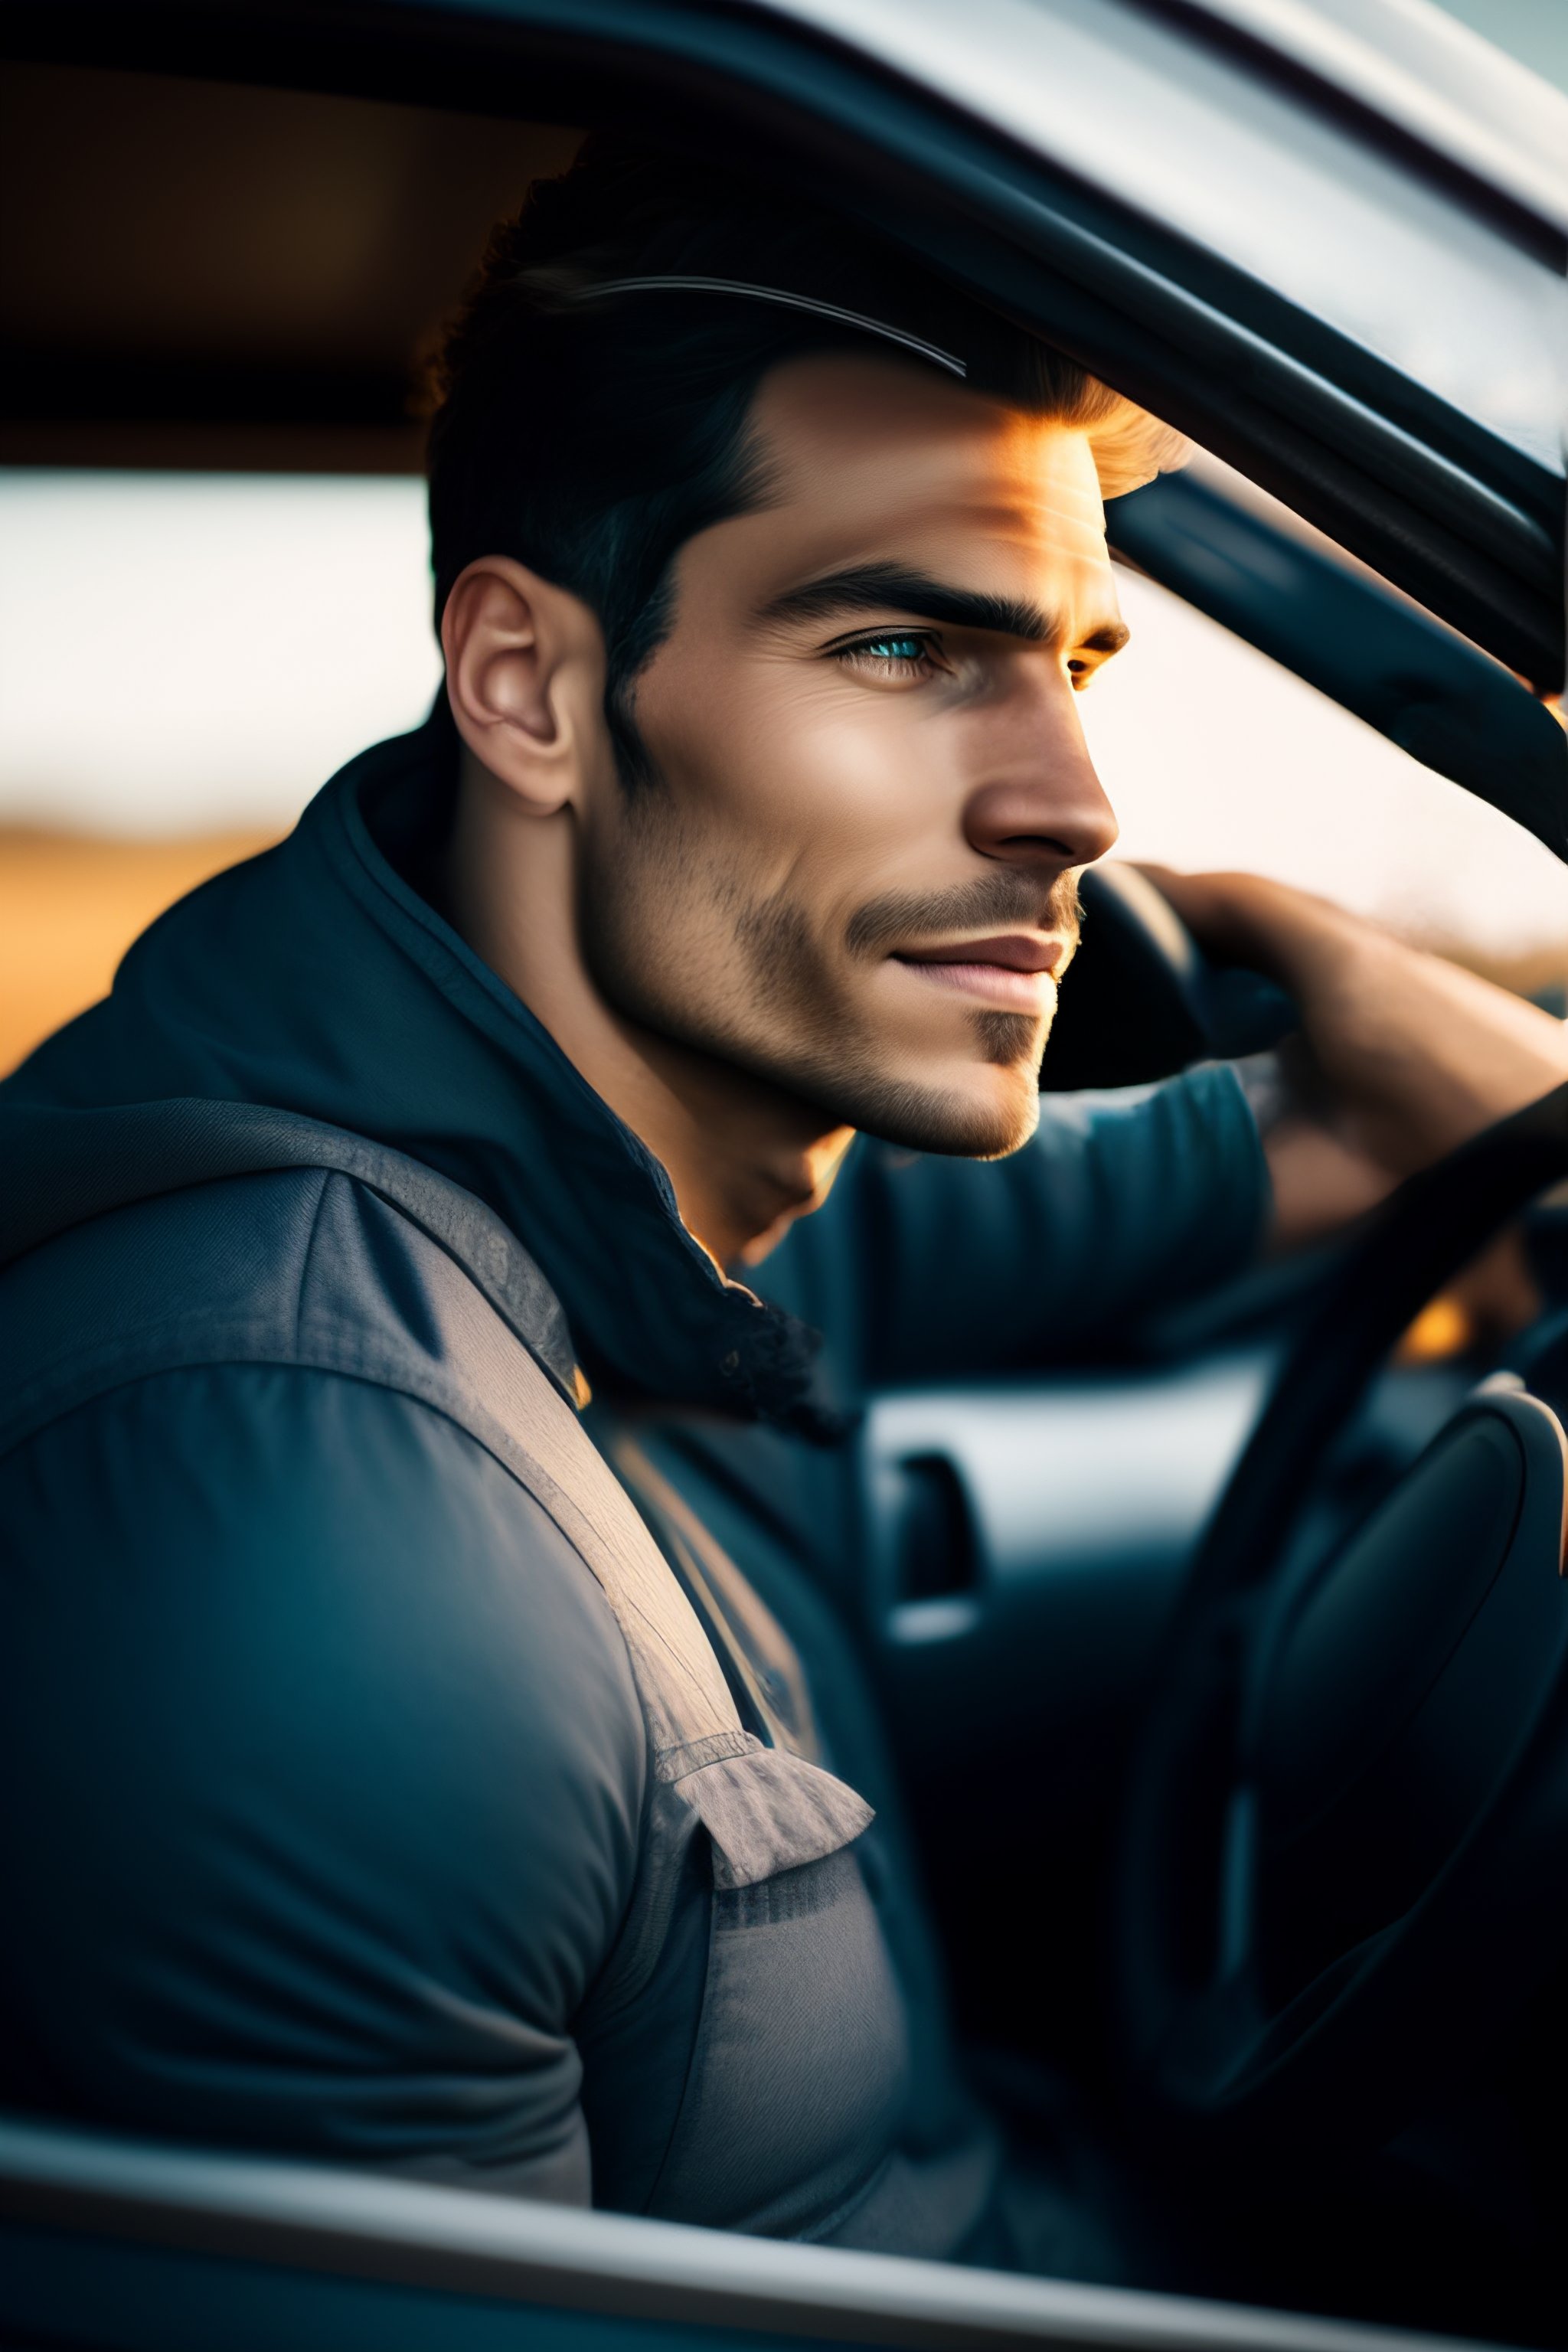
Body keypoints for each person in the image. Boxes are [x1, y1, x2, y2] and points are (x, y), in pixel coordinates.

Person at [2, 138, 1565, 2282]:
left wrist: (1300, 959)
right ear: (531, 690)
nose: (1074, 805)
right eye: (909, 650)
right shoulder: (306, 1515)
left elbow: (1379, 1150)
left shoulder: (669, 1201)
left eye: (1078, 665)